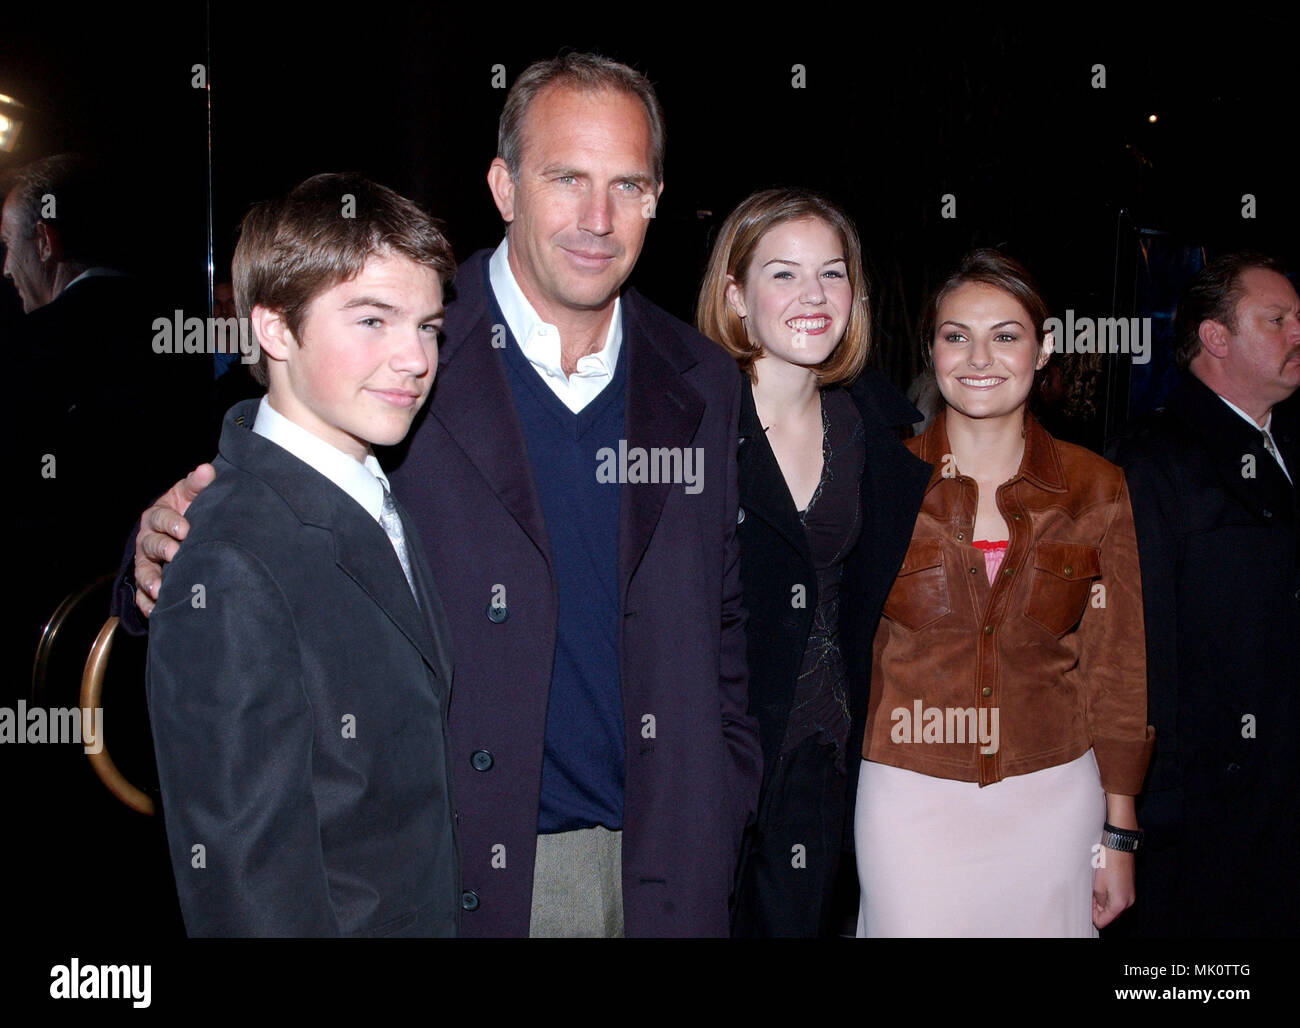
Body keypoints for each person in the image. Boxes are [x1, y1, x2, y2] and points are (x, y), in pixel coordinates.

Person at [118, 53, 761, 938]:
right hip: (473, 871)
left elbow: (724, 623)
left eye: (630, 184)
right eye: (566, 177)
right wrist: (153, 555)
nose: (598, 218)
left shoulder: (702, 379)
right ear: (503, 186)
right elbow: (271, 511)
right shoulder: (400, 357)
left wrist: (723, 800)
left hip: (674, 865)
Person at [146, 173, 460, 936]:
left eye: (428, 327)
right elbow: (247, 888)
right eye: (372, 320)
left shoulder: (373, 487)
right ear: (275, 331)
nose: (415, 359)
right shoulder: (230, 563)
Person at [856, 248, 1153, 937]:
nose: (978, 357)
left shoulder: (1097, 487)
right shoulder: (880, 481)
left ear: (1044, 349)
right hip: (908, 794)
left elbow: (1118, 667)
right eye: (956, 336)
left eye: (1006, 336)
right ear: (932, 351)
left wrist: (1121, 827)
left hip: (1052, 795)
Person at [695, 187, 931, 936]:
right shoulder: (684, 426)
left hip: (823, 758)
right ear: (735, 295)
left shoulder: (872, 431)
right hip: (709, 759)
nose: (813, 295)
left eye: (832, 273)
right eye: (784, 273)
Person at [1111, 252, 1300, 936]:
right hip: (1204, 814)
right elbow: (1139, 648)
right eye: (1277, 320)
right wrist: (1134, 812)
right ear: (1216, 338)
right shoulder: (1153, 460)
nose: (1296, 333)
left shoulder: (1284, 445)